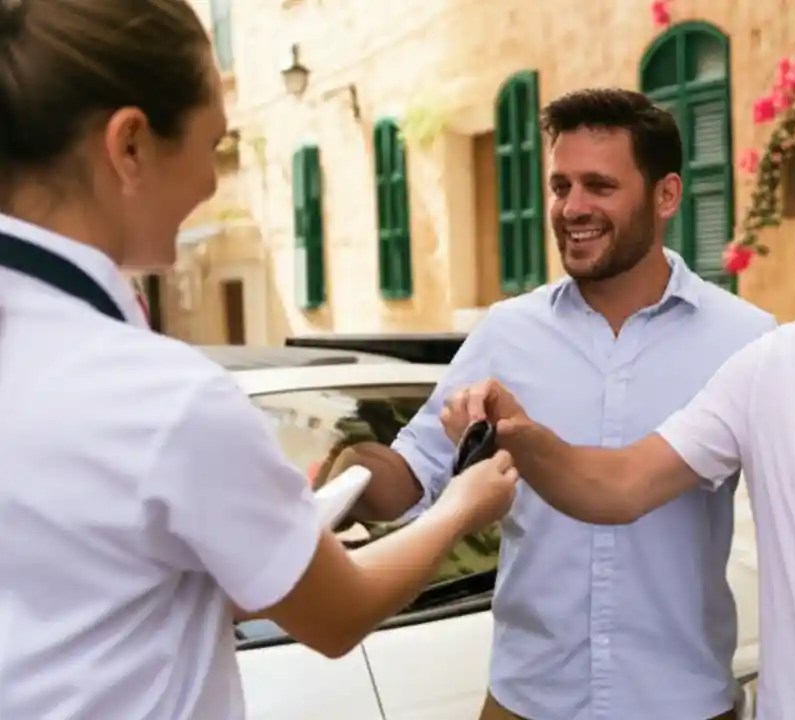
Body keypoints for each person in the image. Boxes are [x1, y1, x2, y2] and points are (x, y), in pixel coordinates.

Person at [324, 90, 795, 720]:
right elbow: (412, 480)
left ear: (666, 196)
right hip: (526, 701)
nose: (572, 207)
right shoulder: (506, 333)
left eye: (599, 185)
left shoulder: (749, 342)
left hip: (684, 704)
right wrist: (349, 475)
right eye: (561, 185)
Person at [0, 2, 516, 718]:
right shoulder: (163, 399)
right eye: (212, 147)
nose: (213, 186)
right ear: (130, 146)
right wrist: (463, 507)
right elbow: (338, 617)